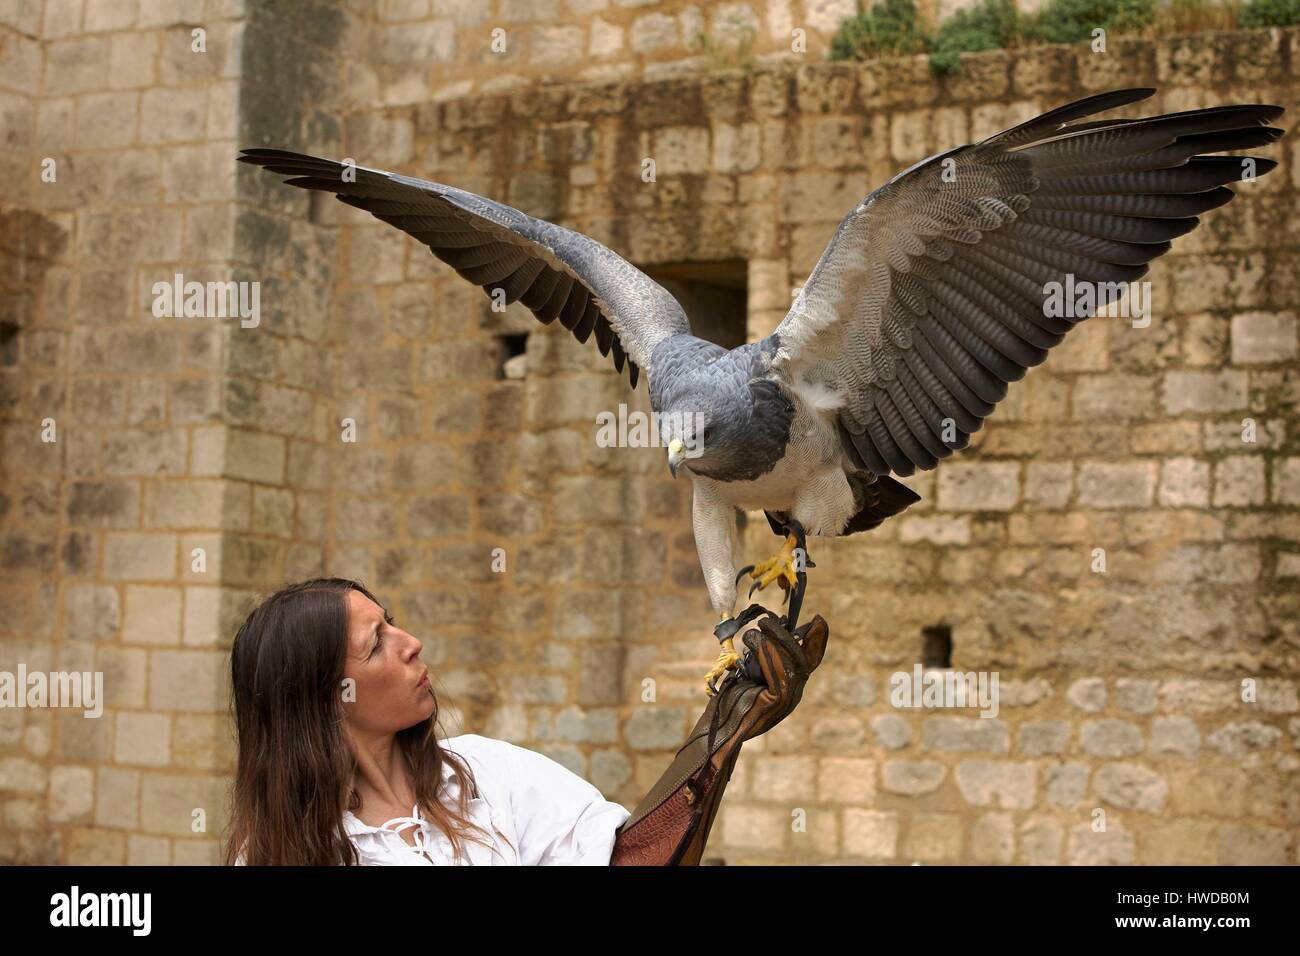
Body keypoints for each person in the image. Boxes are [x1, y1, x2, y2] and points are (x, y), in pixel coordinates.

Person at [225, 577, 828, 865]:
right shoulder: (282, 852)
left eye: (393, 621)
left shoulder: (485, 774)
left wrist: (721, 736)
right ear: (329, 696)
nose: (410, 642)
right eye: (376, 643)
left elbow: (630, 861)